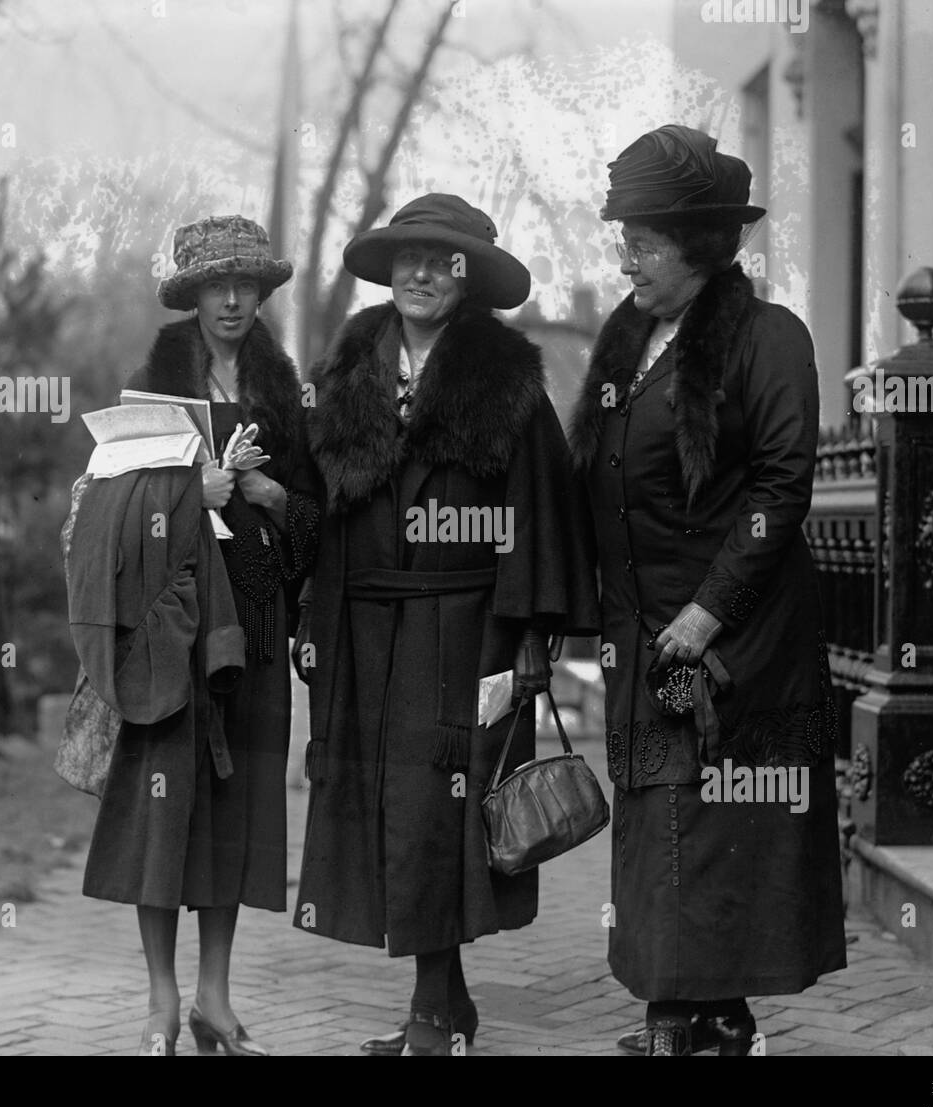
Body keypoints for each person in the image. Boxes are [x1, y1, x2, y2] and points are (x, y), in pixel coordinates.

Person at [294, 193, 599, 1056]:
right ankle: (450, 1002)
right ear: (388, 273)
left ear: (468, 281)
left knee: (442, 812)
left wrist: (533, 639)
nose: (422, 273)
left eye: (442, 261)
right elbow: (323, 513)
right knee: (390, 812)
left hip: (466, 627)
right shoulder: (345, 376)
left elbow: (539, 515)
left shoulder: (506, 385)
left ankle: (435, 1017)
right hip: (363, 626)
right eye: (407, 259)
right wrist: (313, 615)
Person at [567, 126, 847, 1056]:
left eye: (644, 243)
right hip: (646, 627)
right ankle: (677, 1019)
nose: (627, 258)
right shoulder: (632, 344)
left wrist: (708, 609)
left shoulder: (768, 338)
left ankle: (714, 1025)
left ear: (701, 248)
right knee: (662, 824)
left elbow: (780, 485)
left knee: (725, 822)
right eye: (626, 239)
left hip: (736, 636)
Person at [77, 215, 319, 1055]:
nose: (232, 298)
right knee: (161, 808)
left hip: (252, 627)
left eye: (246, 284)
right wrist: (195, 494)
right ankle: (161, 1000)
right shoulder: (146, 393)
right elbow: (106, 518)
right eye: (217, 284)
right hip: (170, 631)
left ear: (261, 293)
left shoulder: (286, 393)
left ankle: (216, 998)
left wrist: (271, 497)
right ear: (193, 296)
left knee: (238, 808)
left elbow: (319, 522)